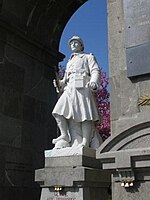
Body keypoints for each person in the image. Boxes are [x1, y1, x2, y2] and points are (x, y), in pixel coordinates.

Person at [52, 35, 102, 149]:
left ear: (81, 45)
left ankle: (85, 141)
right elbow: (65, 79)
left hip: (83, 88)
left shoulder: (88, 57)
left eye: (76, 43)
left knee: (85, 115)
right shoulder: (69, 61)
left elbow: (95, 70)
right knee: (57, 111)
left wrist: (94, 81)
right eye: (71, 43)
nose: (73, 45)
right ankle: (64, 135)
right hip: (69, 89)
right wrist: (59, 83)